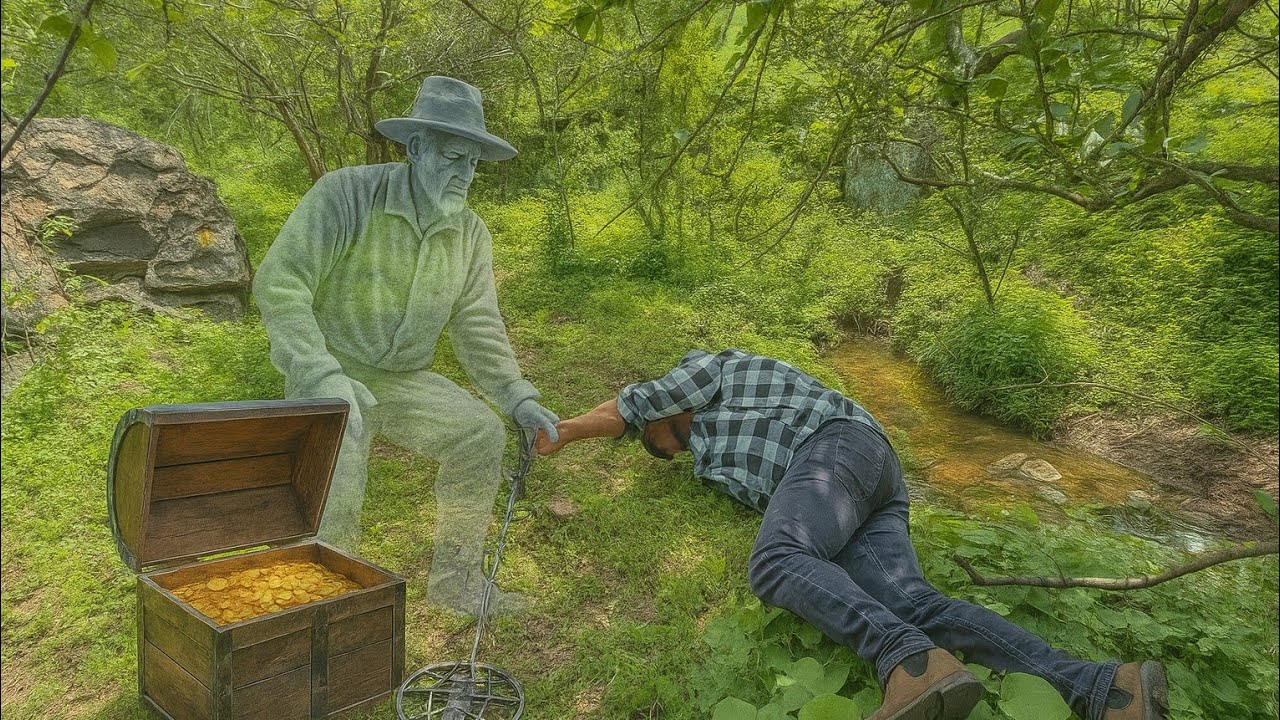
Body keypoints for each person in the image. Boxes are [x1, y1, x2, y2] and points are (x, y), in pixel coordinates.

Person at [535, 348, 1168, 720]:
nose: (666, 447)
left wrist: (562, 430)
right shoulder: (712, 453)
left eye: (660, 443)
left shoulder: (707, 372)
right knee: (915, 601)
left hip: (836, 448)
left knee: (776, 560)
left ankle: (910, 662)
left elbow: (634, 403)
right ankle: (1107, 689)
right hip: (863, 481)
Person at [253, 76, 559, 615]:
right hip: (332, 370)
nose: (464, 173)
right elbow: (281, 283)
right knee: (339, 452)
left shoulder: (469, 233)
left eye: (473, 162)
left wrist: (516, 396)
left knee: (479, 434)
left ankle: (457, 583)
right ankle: (327, 600)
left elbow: (477, 321)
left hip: (404, 378)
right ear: (416, 148)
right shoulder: (346, 194)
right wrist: (322, 377)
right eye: (452, 156)